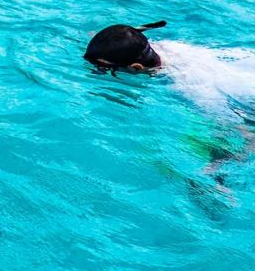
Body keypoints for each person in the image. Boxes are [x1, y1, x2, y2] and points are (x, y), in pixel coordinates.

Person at [83, 20, 255, 196]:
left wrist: (215, 172)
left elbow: (247, 134)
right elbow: (120, 39)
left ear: (136, 68)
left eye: (103, 68)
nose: (98, 71)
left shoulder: (190, 89)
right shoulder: (163, 48)